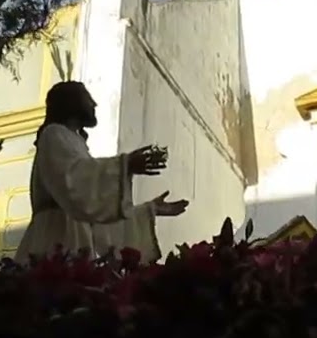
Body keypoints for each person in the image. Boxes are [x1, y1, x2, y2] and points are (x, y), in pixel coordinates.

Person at [16, 81, 189, 263]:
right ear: (71, 102)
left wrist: (148, 210)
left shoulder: (74, 141)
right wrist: (126, 164)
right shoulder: (53, 134)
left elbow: (98, 222)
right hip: (54, 239)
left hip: (76, 240)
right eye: (88, 99)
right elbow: (73, 181)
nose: (94, 104)